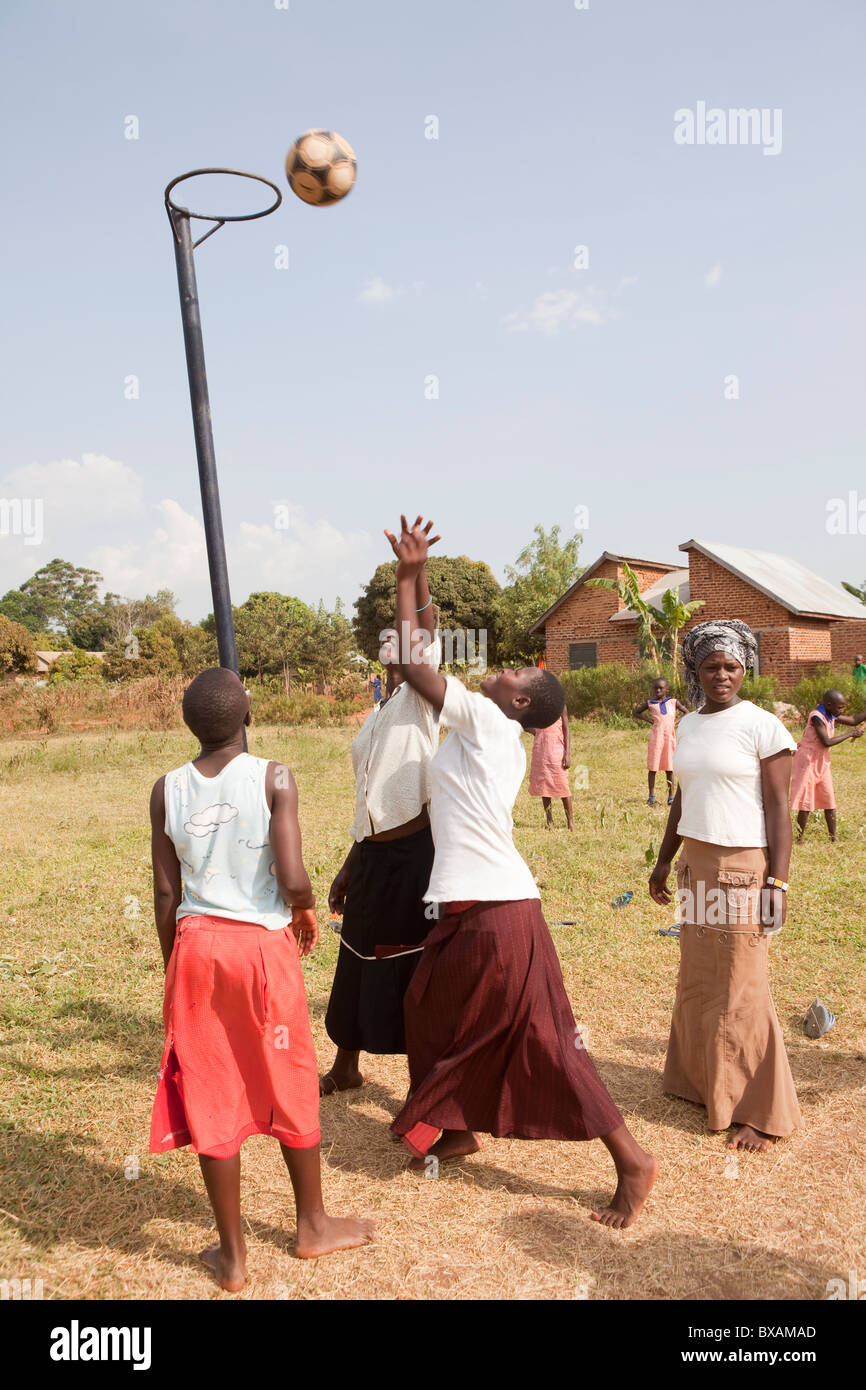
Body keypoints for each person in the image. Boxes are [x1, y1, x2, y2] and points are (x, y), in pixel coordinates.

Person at [384, 516, 658, 1230]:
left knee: (546, 1041)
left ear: (522, 702)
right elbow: (428, 646)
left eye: (515, 672)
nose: (502, 667)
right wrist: (415, 581)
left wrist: (405, 576)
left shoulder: (489, 723)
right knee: (426, 1009)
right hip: (474, 910)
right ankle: (458, 1125)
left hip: (500, 914)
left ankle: (632, 1161)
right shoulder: (485, 727)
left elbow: (416, 666)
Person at [148, 668, 374, 1290]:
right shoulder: (274, 776)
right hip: (261, 950)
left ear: (189, 725)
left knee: (211, 1085)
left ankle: (232, 1256)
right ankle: (311, 1225)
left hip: (196, 949)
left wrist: (177, 966)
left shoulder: (165, 790)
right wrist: (302, 907)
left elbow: (167, 892)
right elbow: (293, 871)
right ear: (248, 718)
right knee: (290, 1074)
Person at [649, 620, 801, 1154]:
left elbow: (781, 808)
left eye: (732, 666)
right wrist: (664, 862)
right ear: (696, 669)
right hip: (696, 863)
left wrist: (777, 882)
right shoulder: (688, 725)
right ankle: (699, 1085)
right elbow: (681, 798)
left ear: (746, 669)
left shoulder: (764, 727)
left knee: (743, 982)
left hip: (742, 866)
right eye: (711, 665)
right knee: (700, 974)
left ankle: (761, 1110)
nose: (722, 675)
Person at [320, 520, 440, 1097]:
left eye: (404, 640)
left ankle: (424, 1088)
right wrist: (350, 862)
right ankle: (346, 1065)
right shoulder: (378, 713)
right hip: (371, 857)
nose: (396, 647)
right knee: (355, 957)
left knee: (410, 968)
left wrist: (410, 577)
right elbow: (370, 800)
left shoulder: (423, 700)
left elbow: (422, 631)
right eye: (389, 643)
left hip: (414, 859)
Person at [790, 689, 865, 842]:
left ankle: (833, 838)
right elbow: (826, 742)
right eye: (840, 707)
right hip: (808, 761)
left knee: (828, 798)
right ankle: (800, 838)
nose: (842, 710)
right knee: (806, 801)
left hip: (821, 762)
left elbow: (853, 720)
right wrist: (850, 734)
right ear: (829, 705)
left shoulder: (831, 714)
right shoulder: (817, 717)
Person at [633, 677, 689, 805]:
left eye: (661, 688)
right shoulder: (650, 703)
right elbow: (636, 712)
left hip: (669, 739)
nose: (658, 690)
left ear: (666, 689)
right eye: (656, 688)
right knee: (653, 767)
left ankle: (671, 797)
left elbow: (686, 712)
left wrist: (676, 721)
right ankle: (651, 796)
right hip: (656, 740)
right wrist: (649, 720)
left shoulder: (673, 702)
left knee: (669, 768)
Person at [528, 701, 573, 830]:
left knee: (563, 784)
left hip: (557, 749)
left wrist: (567, 753)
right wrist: (536, 732)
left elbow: (566, 728)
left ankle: (570, 823)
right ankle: (549, 821)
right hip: (541, 749)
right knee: (544, 785)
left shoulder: (560, 704)